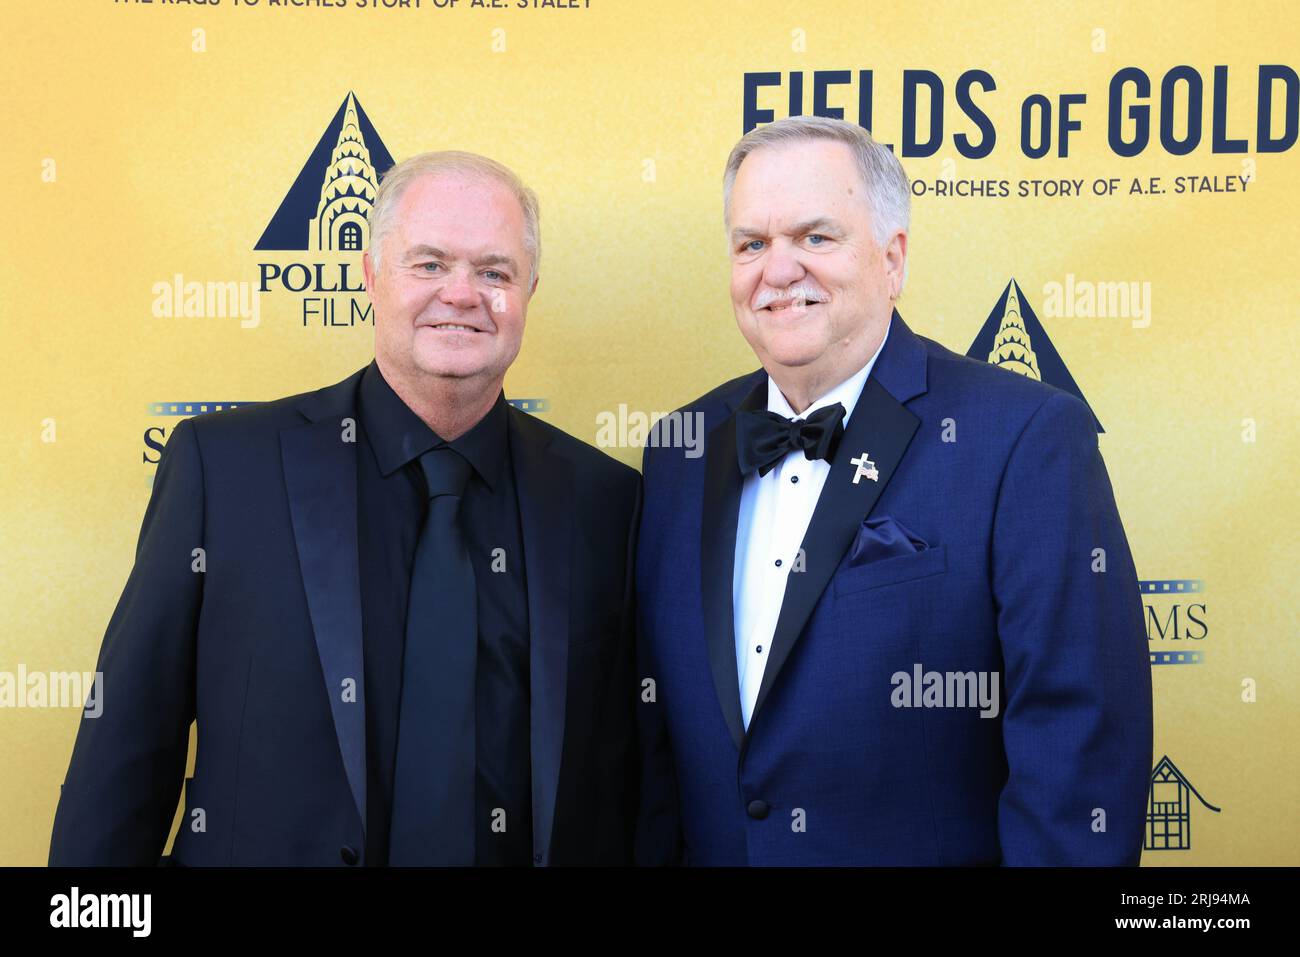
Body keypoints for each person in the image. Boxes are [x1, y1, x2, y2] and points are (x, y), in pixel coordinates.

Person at [50, 151, 641, 866]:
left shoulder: (605, 502)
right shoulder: (226, 469)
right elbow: (127, 749)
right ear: (369, 275)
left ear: (529, 290)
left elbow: (631, 777)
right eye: (428, 264)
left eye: (494, 271)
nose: (461, 293)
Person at [634, 116, 1152, 866]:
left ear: (893, 258)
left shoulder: (1024, 437)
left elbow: (1080, 756)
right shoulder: (679, 451)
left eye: (816, 237)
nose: (778, 270)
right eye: (753, 243)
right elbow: (654, 755)